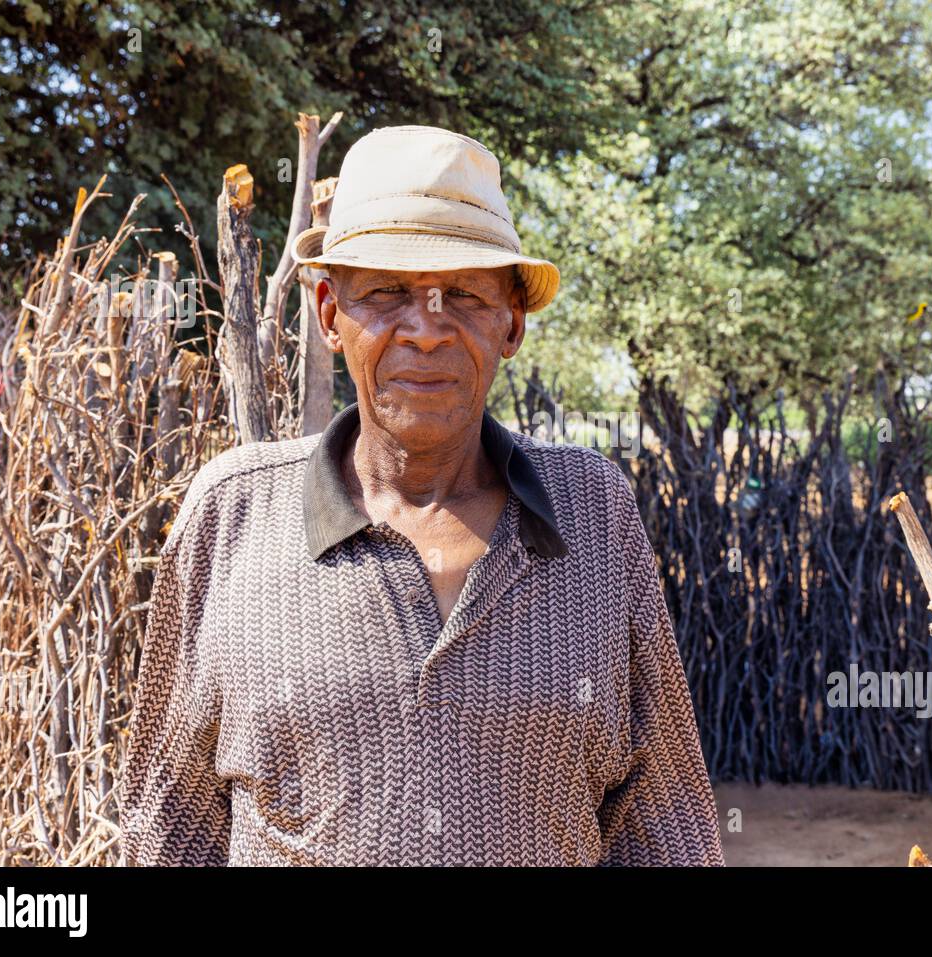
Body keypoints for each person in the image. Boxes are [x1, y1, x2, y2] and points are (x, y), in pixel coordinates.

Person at [118, 125, 725, 866]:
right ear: (330, 315)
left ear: (513, 323)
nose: (426, 330)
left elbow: (664, 825)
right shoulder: (231, 516)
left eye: (464, 294)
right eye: (387, 291)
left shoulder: (590, 510)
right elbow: (167, 829)